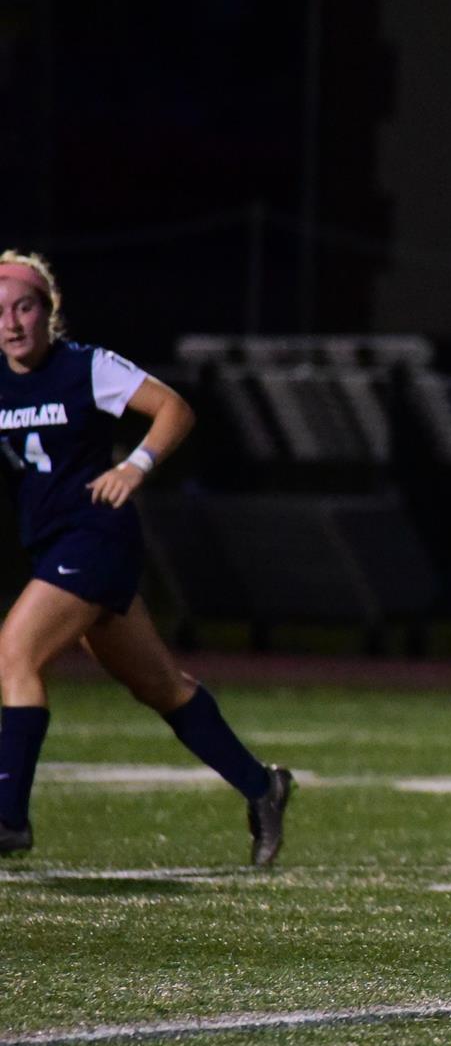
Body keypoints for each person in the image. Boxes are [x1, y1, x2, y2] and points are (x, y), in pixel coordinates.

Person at [0, 251, 292, 861]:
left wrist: (135, 466)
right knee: (159, 685)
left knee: (15, 652)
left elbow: (173, 409)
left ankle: (9, 818)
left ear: (48, 312)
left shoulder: (85, 367)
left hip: (97, 537)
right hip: (55, 544)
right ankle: (263, 786)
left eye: (24, 306)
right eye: (0, 312)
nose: (12, 322)